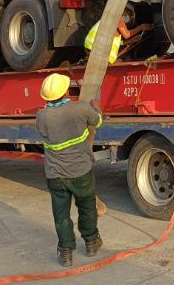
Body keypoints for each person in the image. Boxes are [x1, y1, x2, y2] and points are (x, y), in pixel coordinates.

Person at [36, 73, 104, 266]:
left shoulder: (41, 116)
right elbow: (97, 121)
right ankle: (91, 242)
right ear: (65, 91)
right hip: (80, 170)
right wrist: (95, 109)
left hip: (55, 175)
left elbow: (43, 131)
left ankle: (65, 252)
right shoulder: (81, 109)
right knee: (87, 207)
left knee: (61, 213)